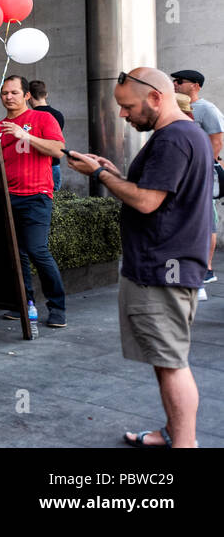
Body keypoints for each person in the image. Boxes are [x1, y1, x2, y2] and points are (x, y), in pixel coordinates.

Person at [67, 68, 213, 448]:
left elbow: (147, 202)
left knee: (171, 364)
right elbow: (152, 193)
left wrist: (100, 173)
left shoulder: (173, 139)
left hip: (162, 270)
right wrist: (115, 173)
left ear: (154, 98)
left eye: (127, 106)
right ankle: (173, 433)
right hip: (166, 266)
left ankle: (185, 443)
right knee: (168, 362)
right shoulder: (184, 134)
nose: (123, 115)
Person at [0, 74, 67, 327]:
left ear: (27, 95)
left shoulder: (42, 118)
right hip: (8, 198)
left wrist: (25, 135)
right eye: (5, 93)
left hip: (37, 195)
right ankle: (24, 304)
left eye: (14, 92)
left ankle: (57, 307)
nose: (8, 97)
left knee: (38, 250)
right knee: (17, 255)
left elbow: (58, 150)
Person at [171, 70, 222, 292]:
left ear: (195, 86)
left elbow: (217, 139)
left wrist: (204, 165)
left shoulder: (207, 109)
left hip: (201, 174)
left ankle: (206, 270)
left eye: (180, 82)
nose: (175, 84)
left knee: (206, 219)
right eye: (174, 81)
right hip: (182, 175)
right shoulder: (177, 109)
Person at [28, 80, 66, 191]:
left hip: (36, 166)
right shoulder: (58, 114)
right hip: (54, 165)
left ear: (28, 96)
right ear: (46, 94)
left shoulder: (29, 117)